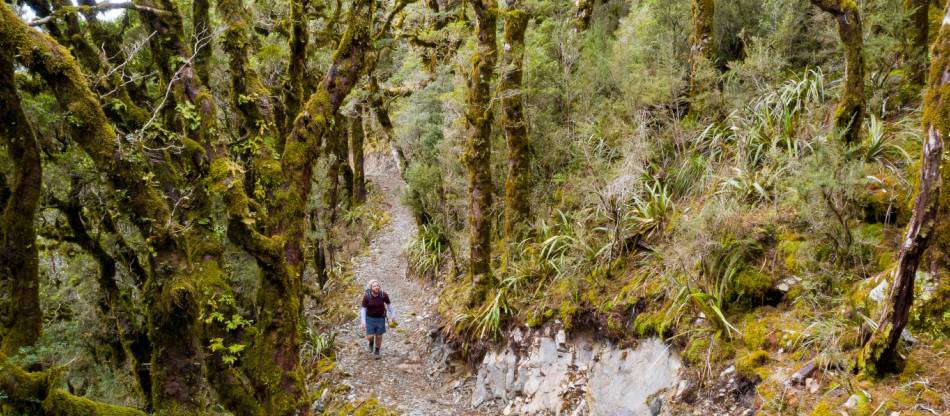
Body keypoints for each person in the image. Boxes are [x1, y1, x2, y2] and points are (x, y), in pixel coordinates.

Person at [359, 279, 397, 359]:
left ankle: (377, 350)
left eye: (377, 286)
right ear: (371, 288)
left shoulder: (383, 294)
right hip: (370, 318)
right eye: (374, 286)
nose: (376, 287)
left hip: (380, 318)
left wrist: (393, 316)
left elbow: (389, 305)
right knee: (370, 336)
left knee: (379, 335)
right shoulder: (367, 296)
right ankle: (371, 342)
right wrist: (363, 321)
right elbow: (363, 309)